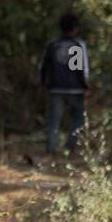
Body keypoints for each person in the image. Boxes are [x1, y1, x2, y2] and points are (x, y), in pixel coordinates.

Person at [39, 13, 90, 155]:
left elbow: (43, 67)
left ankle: (51, 149)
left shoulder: (52, 45)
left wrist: (43, 83)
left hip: (56, 88)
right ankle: (70, 148)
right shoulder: (79, 45)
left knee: (54, 120)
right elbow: (83, 68)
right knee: (78, 120)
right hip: (76, 88)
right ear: (75, 28)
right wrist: (85, 87)